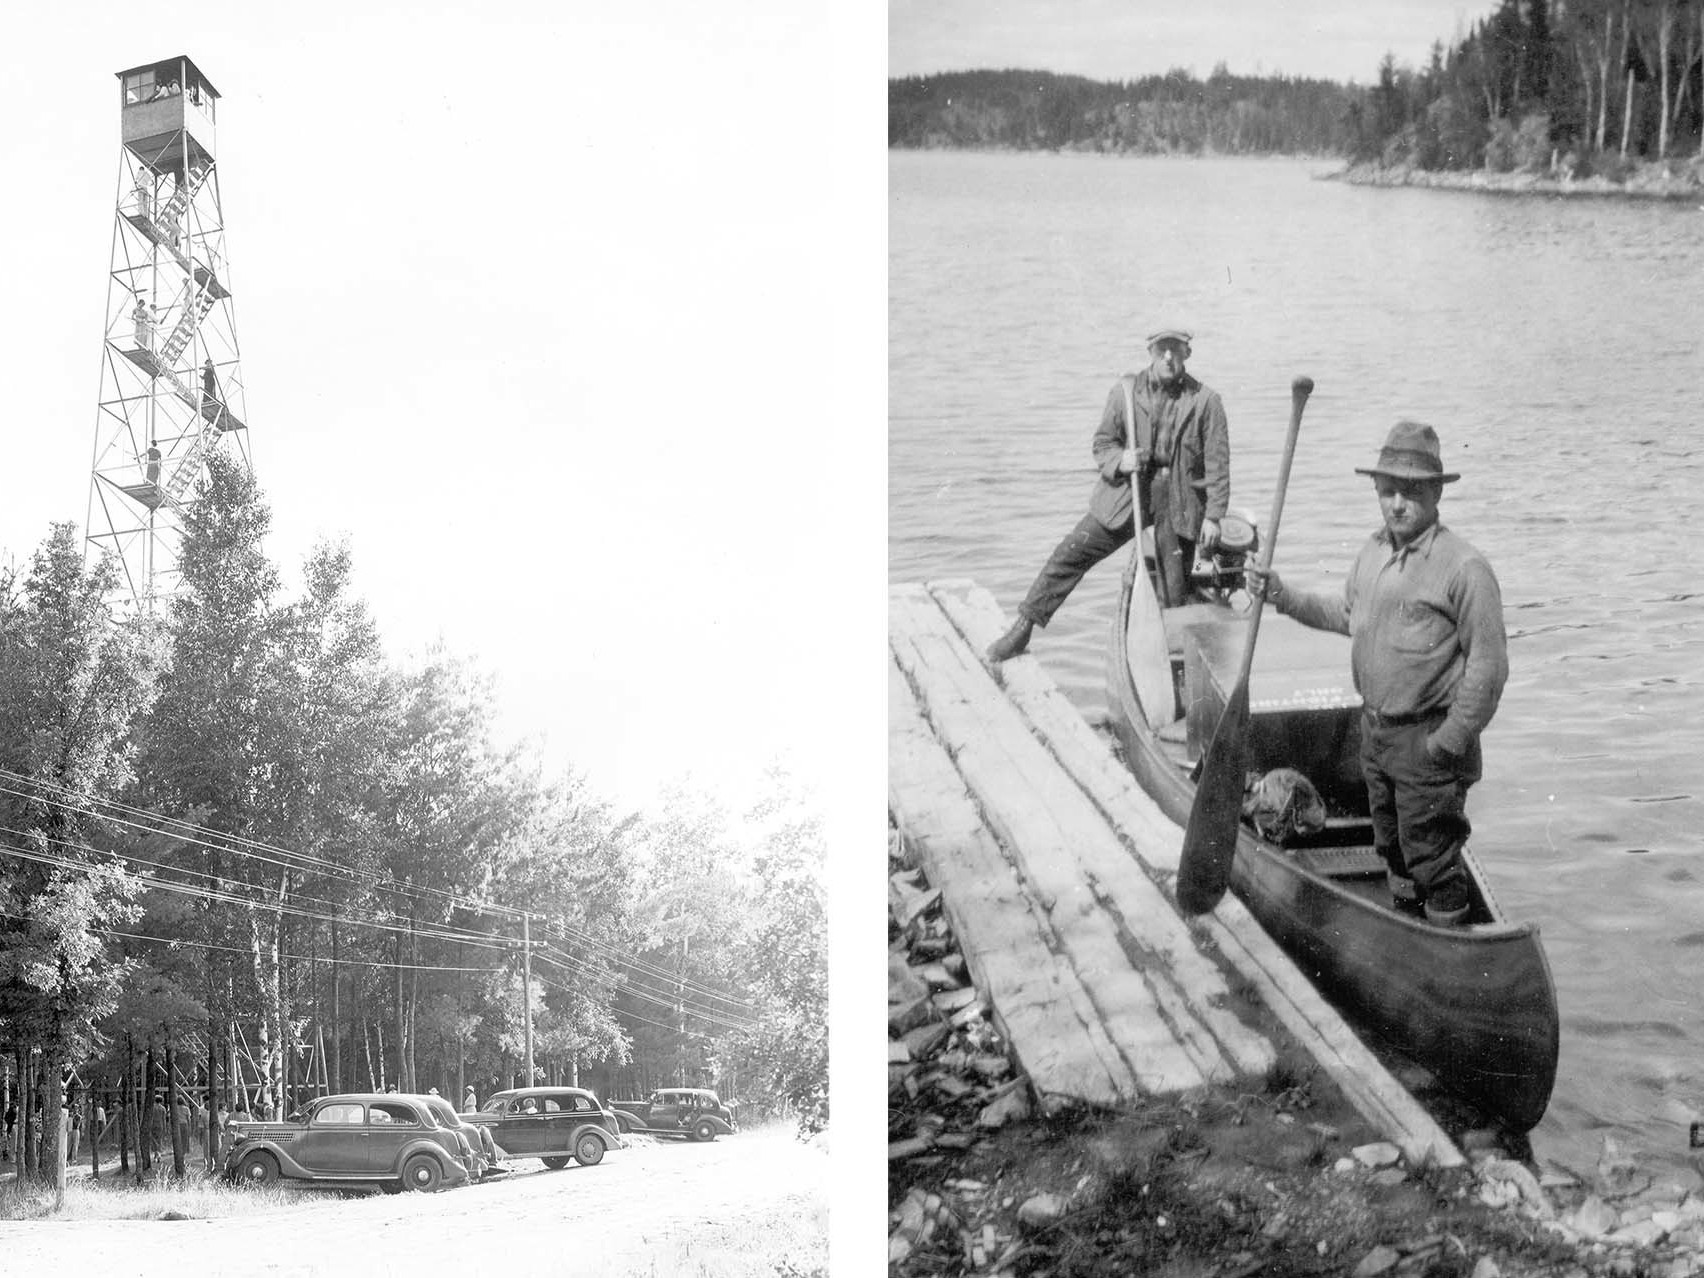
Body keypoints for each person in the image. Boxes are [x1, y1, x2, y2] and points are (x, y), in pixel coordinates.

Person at [1246, 421, 1507, 927]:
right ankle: (1408, 928)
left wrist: (1448, 742)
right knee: (1391, 845)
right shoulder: (1373, 553)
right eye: (1388, 491)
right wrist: (1281, 595)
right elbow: (1347, 615)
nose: (1398, 504)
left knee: (1432, 855)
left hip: (1428, 741)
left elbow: (1489, 669)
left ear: (1436, 493)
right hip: (1377, 736)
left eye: (1411, 492)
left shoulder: (1464, 567)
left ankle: (1450, 953)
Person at [988, 327, 1231, 662]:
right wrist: (1121, 461)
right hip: (1125, 498)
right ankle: (1023, 628)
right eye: (1162, 350)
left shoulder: (1207, 402)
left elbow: (1218, 467)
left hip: (1178, 506)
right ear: (1150, 352)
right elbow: (1102, 444)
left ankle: (1176, 661)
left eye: (1176, 350)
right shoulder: (1125, 393)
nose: (1169, 357)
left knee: (1176, 587)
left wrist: (1215, 516)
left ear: (1187, 354)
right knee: (1070, 554)